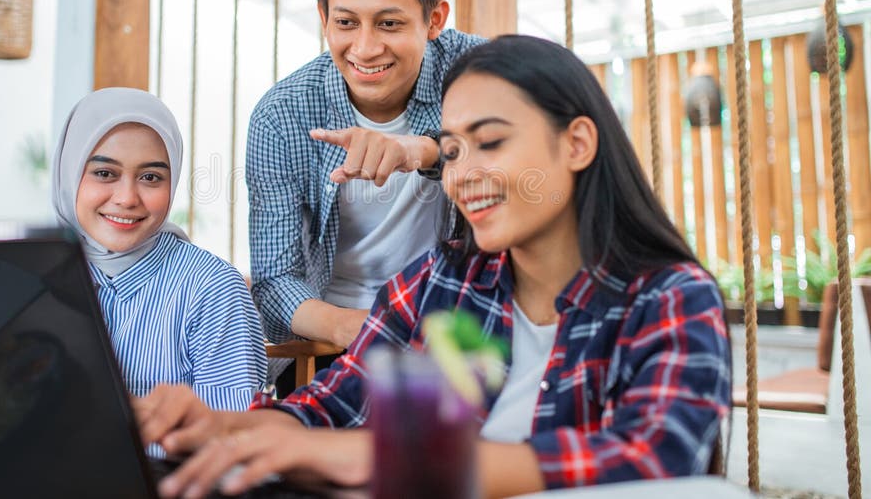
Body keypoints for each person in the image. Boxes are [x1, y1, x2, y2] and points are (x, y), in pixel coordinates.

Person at [134, 36, 732, 498]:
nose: (461, 175)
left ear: (576, 143)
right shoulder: (439, 283)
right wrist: (219, 429)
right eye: (449, 151)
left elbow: (655, 457)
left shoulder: (671, 298)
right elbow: (326, 411)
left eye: (490, 142)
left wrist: (389, 459)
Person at [246, 0, 484, 388]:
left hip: (460, 324)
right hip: (335, 338)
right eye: (346, 22)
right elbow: (274, 282)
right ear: (323, 17)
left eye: (390, 23)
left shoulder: (477, 69)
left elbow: (527, 161)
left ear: (434, 19)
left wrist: (426, 151)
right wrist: (360, 327)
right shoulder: (282, 114)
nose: (366, 47)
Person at [51, 87, 267, 410]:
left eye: (151, 177)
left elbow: (230, 440)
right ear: (69, 174)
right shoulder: (33, 279)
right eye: (105, 173)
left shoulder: (212, 290)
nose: (127, 198)